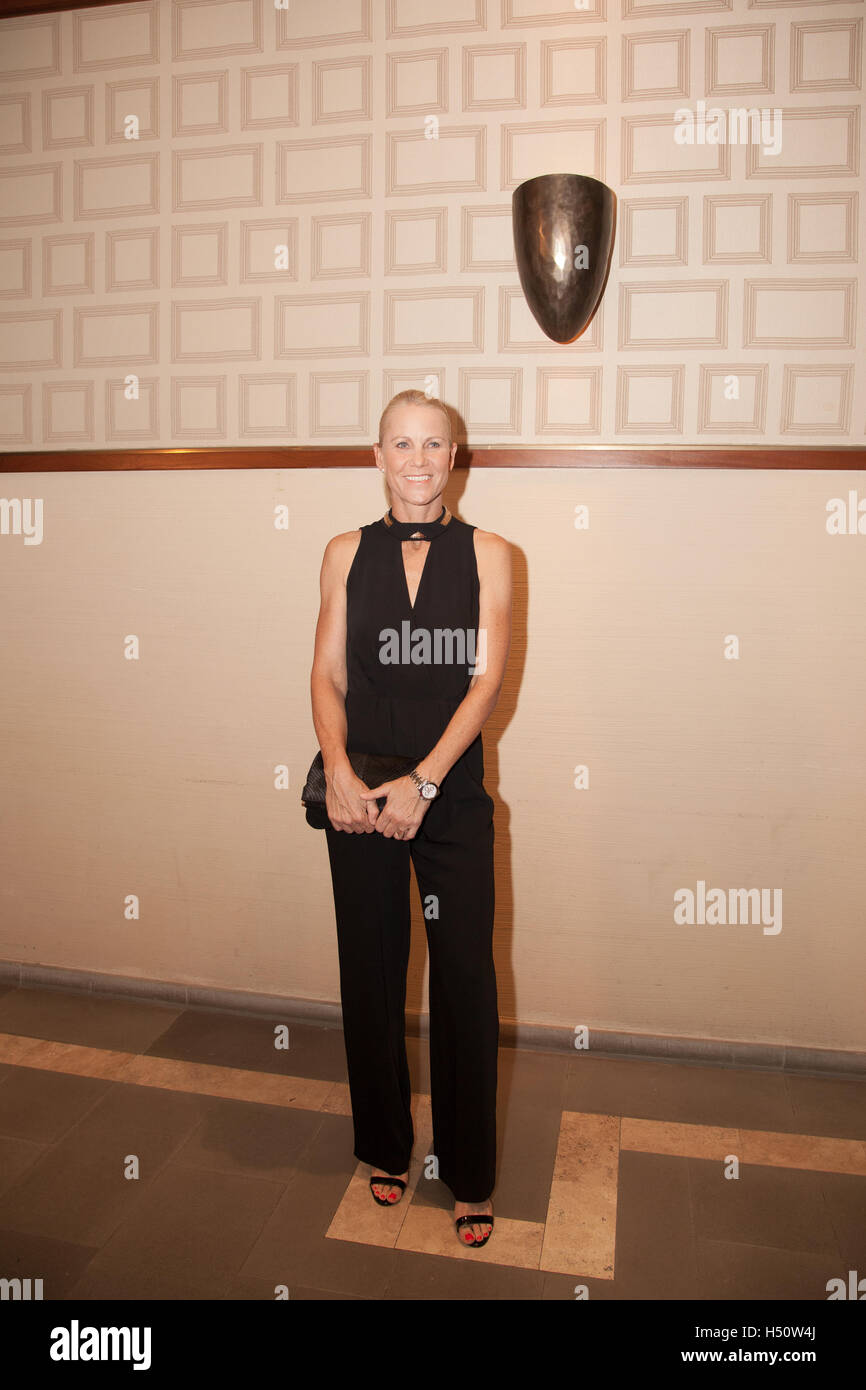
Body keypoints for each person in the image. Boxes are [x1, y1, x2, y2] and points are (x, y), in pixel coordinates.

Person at [310, 389, 512, 1247]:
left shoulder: (495, 554)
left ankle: (468, 1174)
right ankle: (386, 1147)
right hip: (361, 792)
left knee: (464, 982)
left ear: (456, 458)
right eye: (403, 443)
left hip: (450, 794)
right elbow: (325, 675)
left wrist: (424, 784)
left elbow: (485, 681)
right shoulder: (343, 551)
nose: (419, 459)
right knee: (372, 970)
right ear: (379, 456)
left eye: (436, 444)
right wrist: (346, 775)